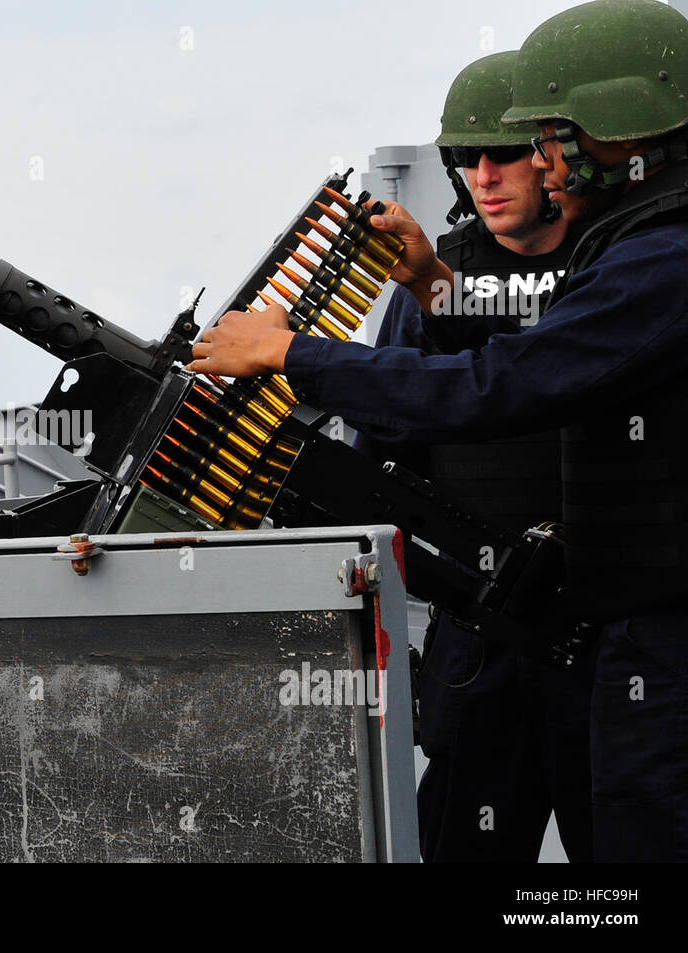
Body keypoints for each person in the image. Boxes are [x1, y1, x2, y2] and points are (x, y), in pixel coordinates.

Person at [188, 0, 688, 862]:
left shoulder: (662, 257)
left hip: (651, 639)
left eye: (550, 139)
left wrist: (288, 351)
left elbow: (513, 382)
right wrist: (433, 290)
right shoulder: (641, 247)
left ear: (621, 126)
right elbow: (527, 356)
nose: (535, 164)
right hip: (542, 632)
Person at [365, 50, 593, 864]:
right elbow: (390, 450)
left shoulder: (616, 267)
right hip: (481, 630)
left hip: (610, 627)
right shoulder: (436, 279)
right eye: (466, 158)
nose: (485, 175)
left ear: (552, 154)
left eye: (503, 154)